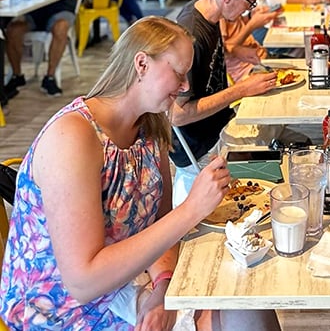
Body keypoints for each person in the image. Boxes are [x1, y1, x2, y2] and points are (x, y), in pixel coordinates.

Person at [0, 16, 280, 331]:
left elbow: (159, 226)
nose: (186, 86)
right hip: (58, 310)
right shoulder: (74, 138)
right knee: (234, 308)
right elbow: (83, 281)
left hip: (120, 286)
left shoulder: (150, 126)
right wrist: (191, 209)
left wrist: (163, 286)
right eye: (179, 73)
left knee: (244, 296)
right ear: (142, 64)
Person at [170, 0, 280, 203]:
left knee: (277, 136)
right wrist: (240, 90)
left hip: (215, 129)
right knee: (276, 150)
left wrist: (236, 51)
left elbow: (208, 59)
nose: (248, 11)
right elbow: (176, 114)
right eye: (249, 4)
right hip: (196, 149)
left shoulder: (208, 13)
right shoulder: (191, 34)